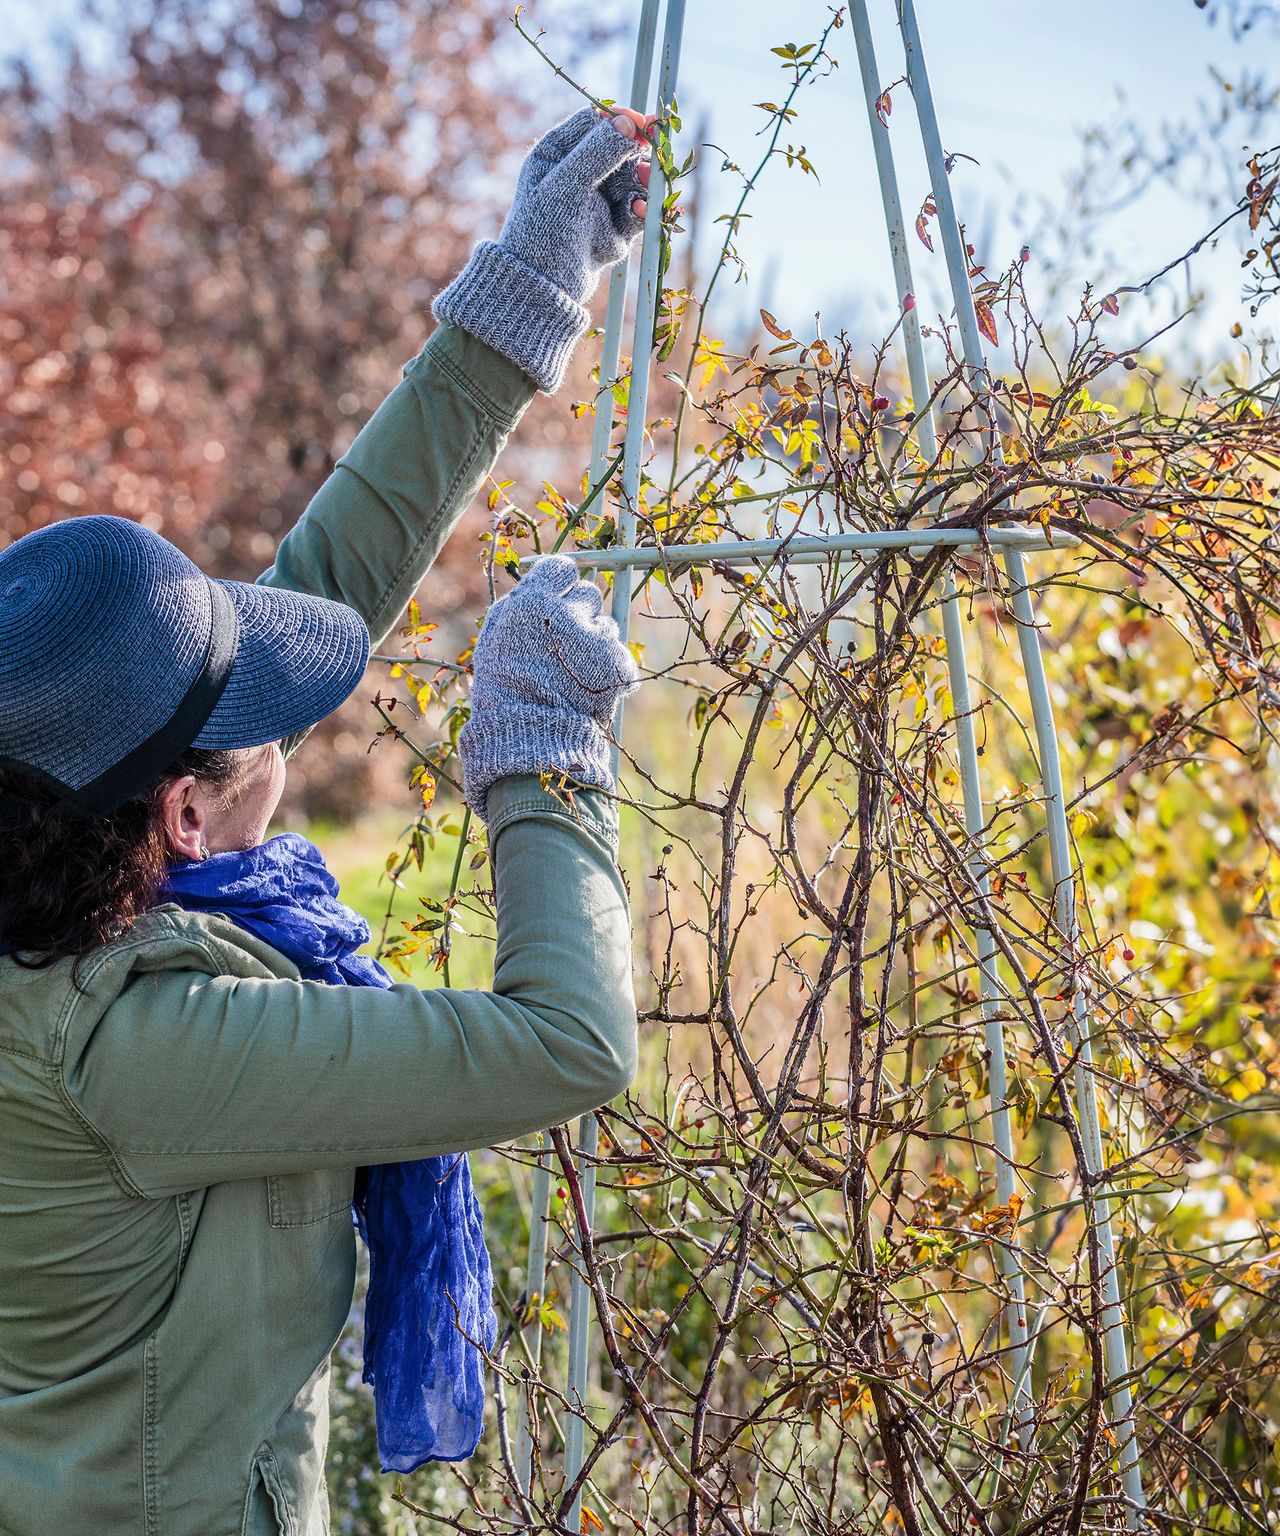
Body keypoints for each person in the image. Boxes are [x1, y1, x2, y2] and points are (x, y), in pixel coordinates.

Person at [0, 105, 654, 1536]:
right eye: (254, 715)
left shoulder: (66, 848)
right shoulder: (145, 1047)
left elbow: (327, 586)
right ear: (185, 811)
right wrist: (543, 763)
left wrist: (520, 301)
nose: (283, 723)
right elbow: (571, 1043)